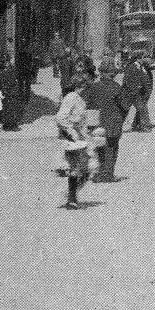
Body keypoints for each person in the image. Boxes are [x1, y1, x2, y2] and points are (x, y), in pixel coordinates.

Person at [87, 57, 129, 182]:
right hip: (114, 122)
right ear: (112, 73)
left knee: (100, 147)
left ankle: (100, 172)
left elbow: (89, 104)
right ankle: (108, 174)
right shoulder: (116, 87)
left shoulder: (94, 87)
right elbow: (125, 105)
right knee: (112, 147)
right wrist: (123, 117)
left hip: (98, 122)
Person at [53, 73, 92, 209]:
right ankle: (71, 199)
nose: (86, 89)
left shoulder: (79, 98)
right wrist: (72, 132)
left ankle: (71, 196)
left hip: (81, 138)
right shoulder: (71, 98)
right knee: (76, 169)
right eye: (84, 86)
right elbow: (60, 118)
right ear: (79, 86)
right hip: (71, 139)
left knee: (87, 168)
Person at [123, 52, 155, 131]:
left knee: (141, 107)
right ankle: (143, 126)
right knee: (141, 107)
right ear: (138, 59)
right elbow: (126, 80)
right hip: (132, 92)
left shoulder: (141, 66)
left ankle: (138, 125)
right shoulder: (132, 67)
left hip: (138, 92)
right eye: (142, 58)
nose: (143, 59)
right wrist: (135, 87)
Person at [0, 54, 21, 131]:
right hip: (10, 92)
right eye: (7, 61)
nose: (8, 63)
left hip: (7, 92)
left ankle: (7, 125)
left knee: (7, 109)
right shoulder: (7, 71)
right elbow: (12, 81)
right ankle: (12, 125)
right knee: (10, 109)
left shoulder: (3, 71)